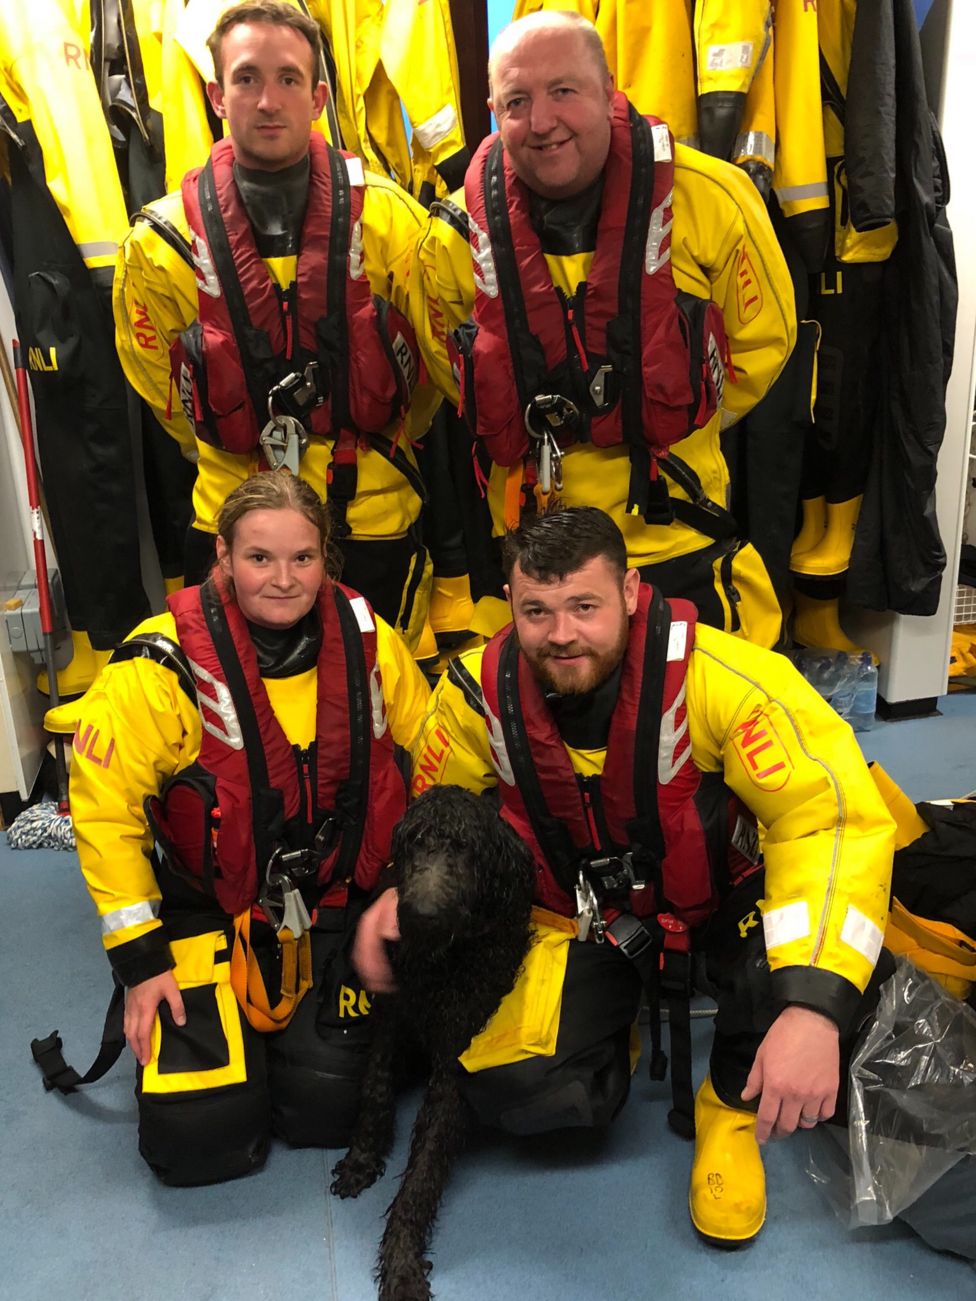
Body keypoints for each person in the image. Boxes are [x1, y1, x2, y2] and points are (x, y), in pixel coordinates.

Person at [353, 505, 895, 1245]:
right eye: (536, 611)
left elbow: (829, 819)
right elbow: (435, 808)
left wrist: (812, 1009)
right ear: (511, 603)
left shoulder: (729, 679)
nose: (561, 633)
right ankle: (617, 1018)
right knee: (524, 1093)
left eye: (584, 605)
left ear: (632, 592)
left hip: (718, 911)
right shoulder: (477, 693)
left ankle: (729, 1106)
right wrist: (397, 892)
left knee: (838, 997)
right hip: (582, 921)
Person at [64, 471, 430, 1186]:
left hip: (330, 908)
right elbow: (103, 813)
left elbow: (437, 757)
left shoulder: (369, 640)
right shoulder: (156, 664)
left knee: (329, 1109)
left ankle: (316, 1041)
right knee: (199, 1138)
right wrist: (141, 965)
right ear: (223, 558)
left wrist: (402, 893)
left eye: (303, 557)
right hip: (208, 912)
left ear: (328, 559)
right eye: (260, 557)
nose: (284, 578)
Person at [411, 9, 797, 650]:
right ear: (491, 110)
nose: (542, 122)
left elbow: (763, 345)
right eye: (517, 101)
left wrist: (669, 409)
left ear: (609, 86)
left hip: (675, 533)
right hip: (533, 554)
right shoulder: (452, 237)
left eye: (565, 91)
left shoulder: (712, 201)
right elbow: (451, 367)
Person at [113, 1, 440, 653]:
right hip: (231, 531)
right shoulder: (159, 245)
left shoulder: (392, 221)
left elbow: (430, 379)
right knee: (245, 727)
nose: (268, 100)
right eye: (246, 78)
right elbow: (166, 395)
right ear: (215, 93)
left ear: (320, 96)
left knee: (376, 717)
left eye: (288, 79)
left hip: (373, 521)